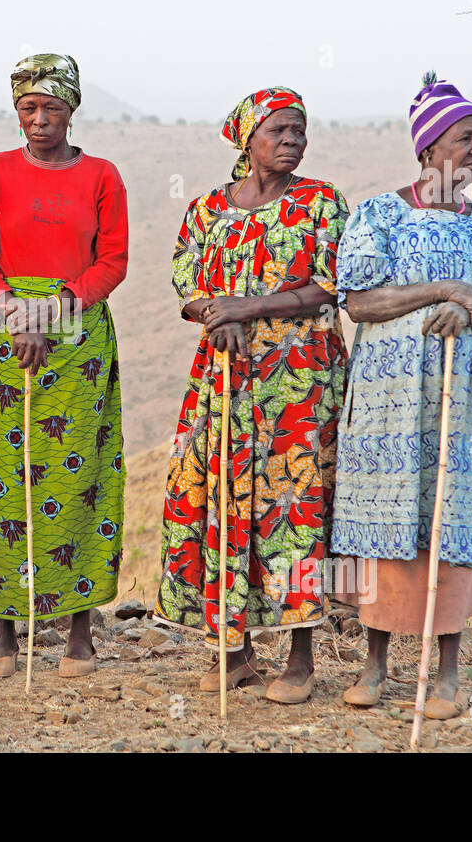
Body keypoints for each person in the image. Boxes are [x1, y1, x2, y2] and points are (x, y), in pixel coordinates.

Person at [333, 73, 472, 718]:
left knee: (451, 519)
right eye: (465, 138)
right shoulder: (380, 214)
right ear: (428, 149)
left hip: (465, 402)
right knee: (386, 521)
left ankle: (446, 672)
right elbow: (360, 302)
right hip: (388, 405)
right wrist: (446, 289)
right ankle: (374, 665)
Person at [156, 88, 349, 704]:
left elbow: (329, 286)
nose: (292, 141)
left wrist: (250, 305)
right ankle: (233, 651)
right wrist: (219, 313)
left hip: (300, 382)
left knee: (294, 507)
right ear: (247, 138)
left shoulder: (322, 203)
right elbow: (186, 283)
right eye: (280, 131)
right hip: (223, 379)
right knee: (217, 499)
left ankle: (300, 658)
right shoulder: (206, 210)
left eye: (300, 131)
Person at [0, 53, 128, 678]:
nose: (39, 120)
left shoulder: (102, 176)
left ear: (71, 110)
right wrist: (16, 315)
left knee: (81, 471)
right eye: (28, 108)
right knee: (10, 473)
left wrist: (52, 314)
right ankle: (5, 630)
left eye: (51, 109)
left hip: (80, 334)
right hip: (8, 330)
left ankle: (79, 632)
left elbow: (112, 261)